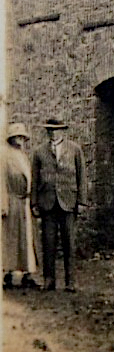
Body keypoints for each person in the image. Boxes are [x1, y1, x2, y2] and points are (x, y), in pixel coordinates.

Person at [31, 117, 86, 292]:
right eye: (50, 130)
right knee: (48, 242)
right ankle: (49, 279)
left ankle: (71, 281)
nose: (53, 133)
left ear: (63, 131)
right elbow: (34, 179)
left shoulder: (75, 150)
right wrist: (34, 202)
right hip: (47, 202)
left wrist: (81, 201)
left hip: (68, 202)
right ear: (47, 132)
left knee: (69, 242)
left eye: (56, 130)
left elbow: (81, 177)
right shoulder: (39, 152)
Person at [2, 122, 39, 289]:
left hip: (24, 201)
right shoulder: (4, 155)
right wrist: (3, 204)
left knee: (27, 238)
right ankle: (8, 273)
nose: (20, 140)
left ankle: (27, 273)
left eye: (22, 137)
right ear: (11, 138)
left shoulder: (24, 156)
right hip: (12, 200)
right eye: (17, 137)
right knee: (11, 237)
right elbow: (1, 181)